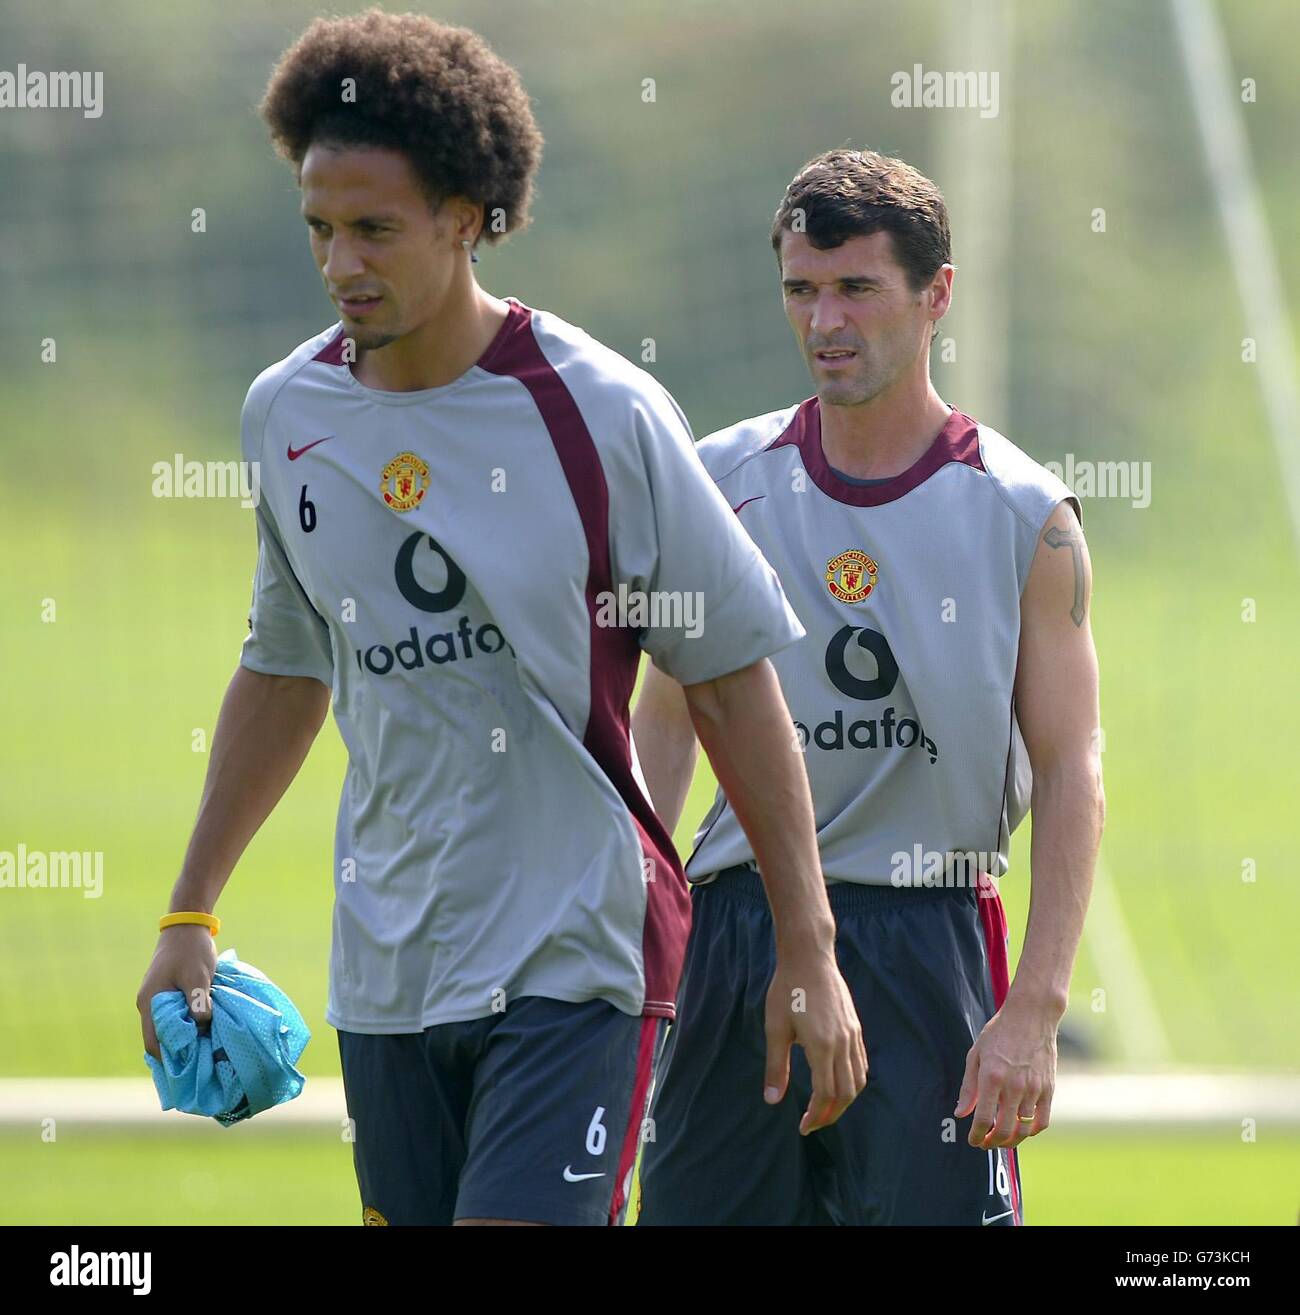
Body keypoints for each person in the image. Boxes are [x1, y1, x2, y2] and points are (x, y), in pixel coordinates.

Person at [134, 12, 864, 1227]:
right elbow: (285, 668)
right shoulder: (285, 413)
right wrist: (189, 909)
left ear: (468, 217)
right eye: (319, 228)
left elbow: (731, 675)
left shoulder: (600, 410)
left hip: (576, 953)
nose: (341, 263)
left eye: (375, 228)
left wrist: (808, 945)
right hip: (387, 967)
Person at [634, 148, 1104, 1226]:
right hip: (741, 932)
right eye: (801, 289)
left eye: (856, 287)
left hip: (926, 938)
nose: (824, 321)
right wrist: (637, 935)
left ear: (937, 295)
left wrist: (1037, 1003)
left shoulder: (1025, 514)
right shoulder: (717, 482)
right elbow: (663, 723)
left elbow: (1072, 767)